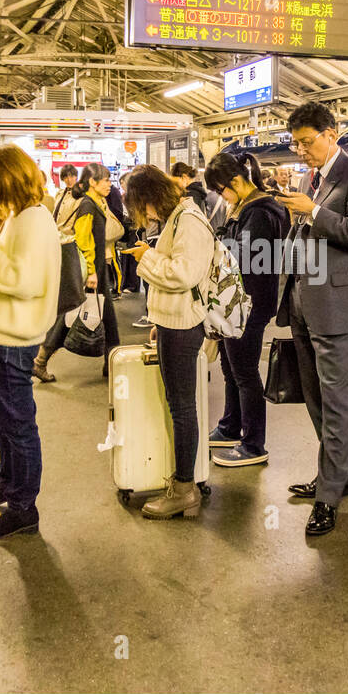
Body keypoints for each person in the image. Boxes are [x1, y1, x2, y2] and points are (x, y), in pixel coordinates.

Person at [273, 103, 348, 537]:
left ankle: (329, 496)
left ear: (331, 133)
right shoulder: (308, 179)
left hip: (338, 306)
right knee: (316, 397)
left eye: (307, 141)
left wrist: (313, 211)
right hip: (303, 298)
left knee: (337, 402)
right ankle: (338, 475)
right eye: (295, 143)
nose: (301, 151)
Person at [0, 145, 63, 539]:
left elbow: (22, 282)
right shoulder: (22, 216)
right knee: (2, 417)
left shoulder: (34, 220)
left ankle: (23, 507)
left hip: (11, 338)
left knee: (18, 424)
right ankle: (7, 482)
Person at [123, 165, 214, 519]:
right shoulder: (179, 217)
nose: (144, 214)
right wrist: (160, 319)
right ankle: (183, 483)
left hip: (184, 325)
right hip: (172, 322)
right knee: (179, 405)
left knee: (182, 407)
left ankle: (184, 488)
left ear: (150, 198)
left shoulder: (188, 220)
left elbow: (183, 273)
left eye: (142, 205)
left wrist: (147, 257)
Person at [204, 152, 290, 467]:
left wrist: (215, 250)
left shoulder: (260, 213)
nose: (220, 196)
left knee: (245, 373)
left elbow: (249, 261)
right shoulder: (246, 207)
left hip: (248, 302)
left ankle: (254, 444)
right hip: (237, 301)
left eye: (221, 189)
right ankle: (230, 426)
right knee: (230, 368)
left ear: (236, 181)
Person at [32, 163, 122, 381]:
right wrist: (91, 271)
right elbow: (83, 241)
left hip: (97, 270)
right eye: (106, 180)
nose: (109, 184)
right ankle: (40, 360)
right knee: (73, 316)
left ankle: (111, 364)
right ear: (92, 182)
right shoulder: (88, 206)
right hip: (92, 272)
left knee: (101, 317)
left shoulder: (95, 203)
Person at [53, 164, 81, 233]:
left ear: (76, 177)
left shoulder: (79, 195)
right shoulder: (60, 194)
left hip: (69, 236)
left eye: (71, 176)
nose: (69, 180)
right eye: (66, 177)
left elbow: (76, 218)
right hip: (56, 233)